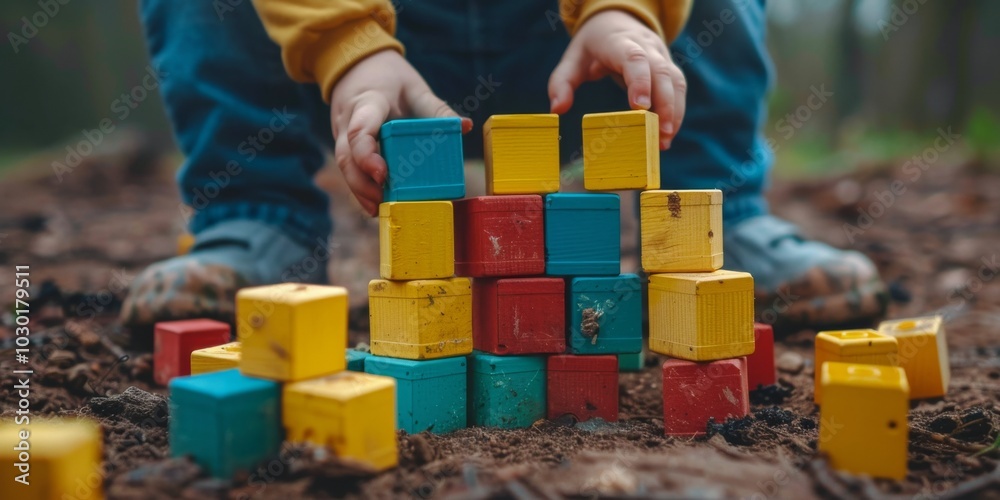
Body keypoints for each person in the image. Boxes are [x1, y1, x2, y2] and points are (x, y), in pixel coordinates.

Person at [123, 0, 887, 331]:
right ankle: (256, 220)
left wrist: (624, 10)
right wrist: (346, 44)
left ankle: (710, 225)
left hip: (580, 43)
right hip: (361, 49)